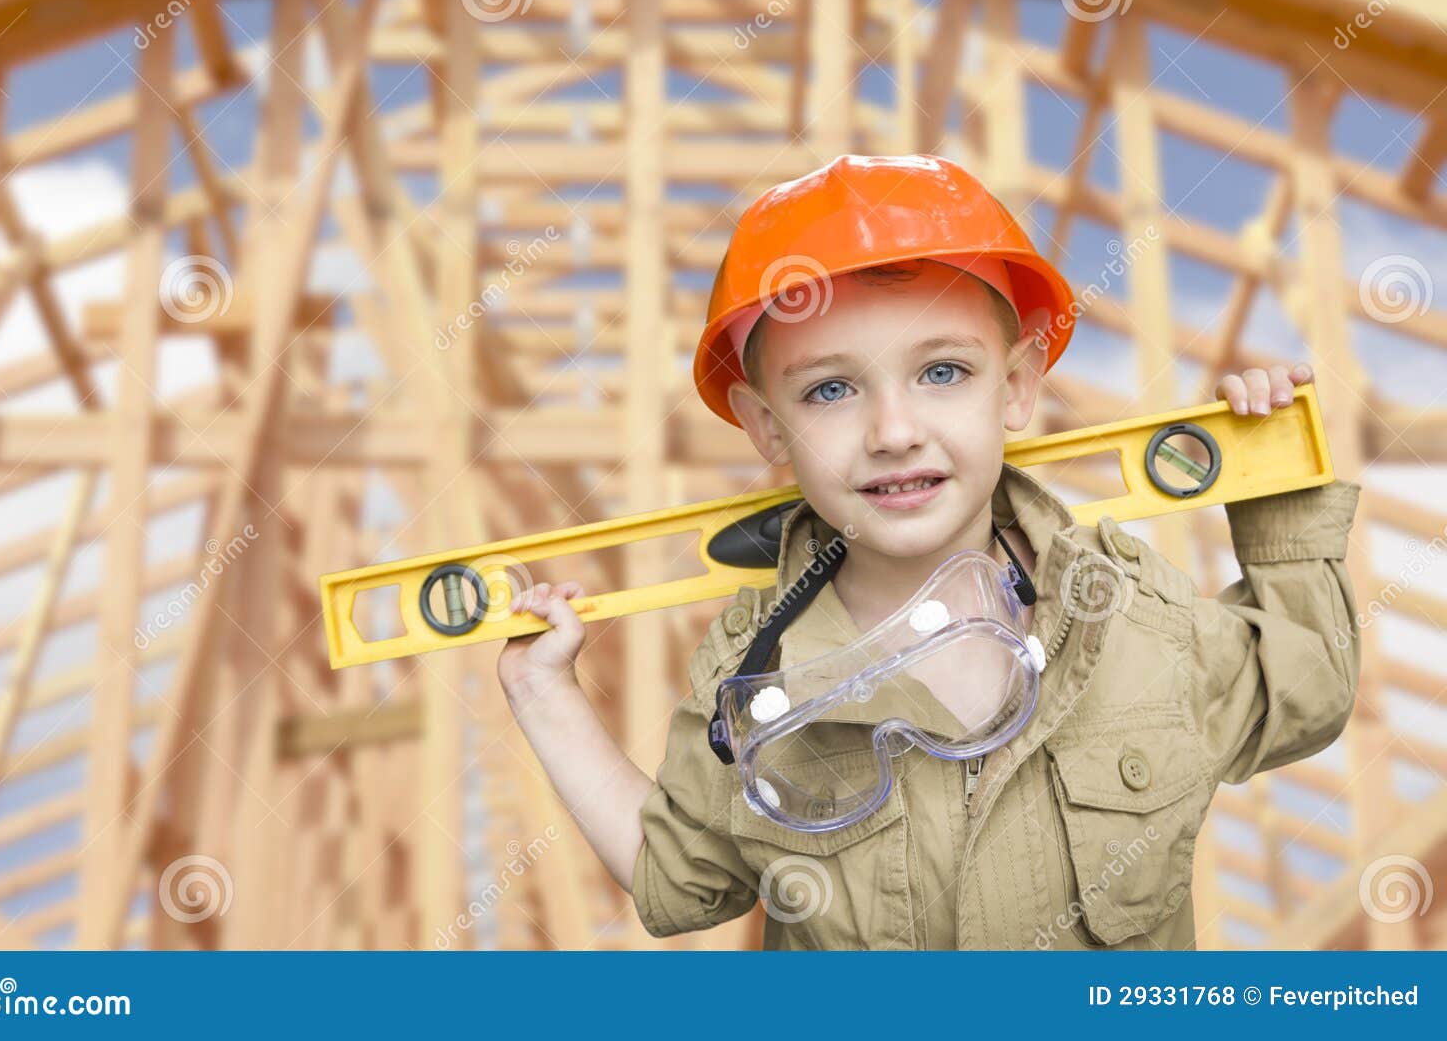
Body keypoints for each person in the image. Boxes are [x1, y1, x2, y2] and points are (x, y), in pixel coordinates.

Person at [496, 154, 1362, 949]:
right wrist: (544, 693)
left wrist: (1277, 493)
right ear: (769, 425)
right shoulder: (754, 674)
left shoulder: (1125, 611)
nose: (895, 431)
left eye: (942, 371)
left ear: (1016, 385)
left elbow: (1307, 690)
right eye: (831, 389)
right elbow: (677, 884)